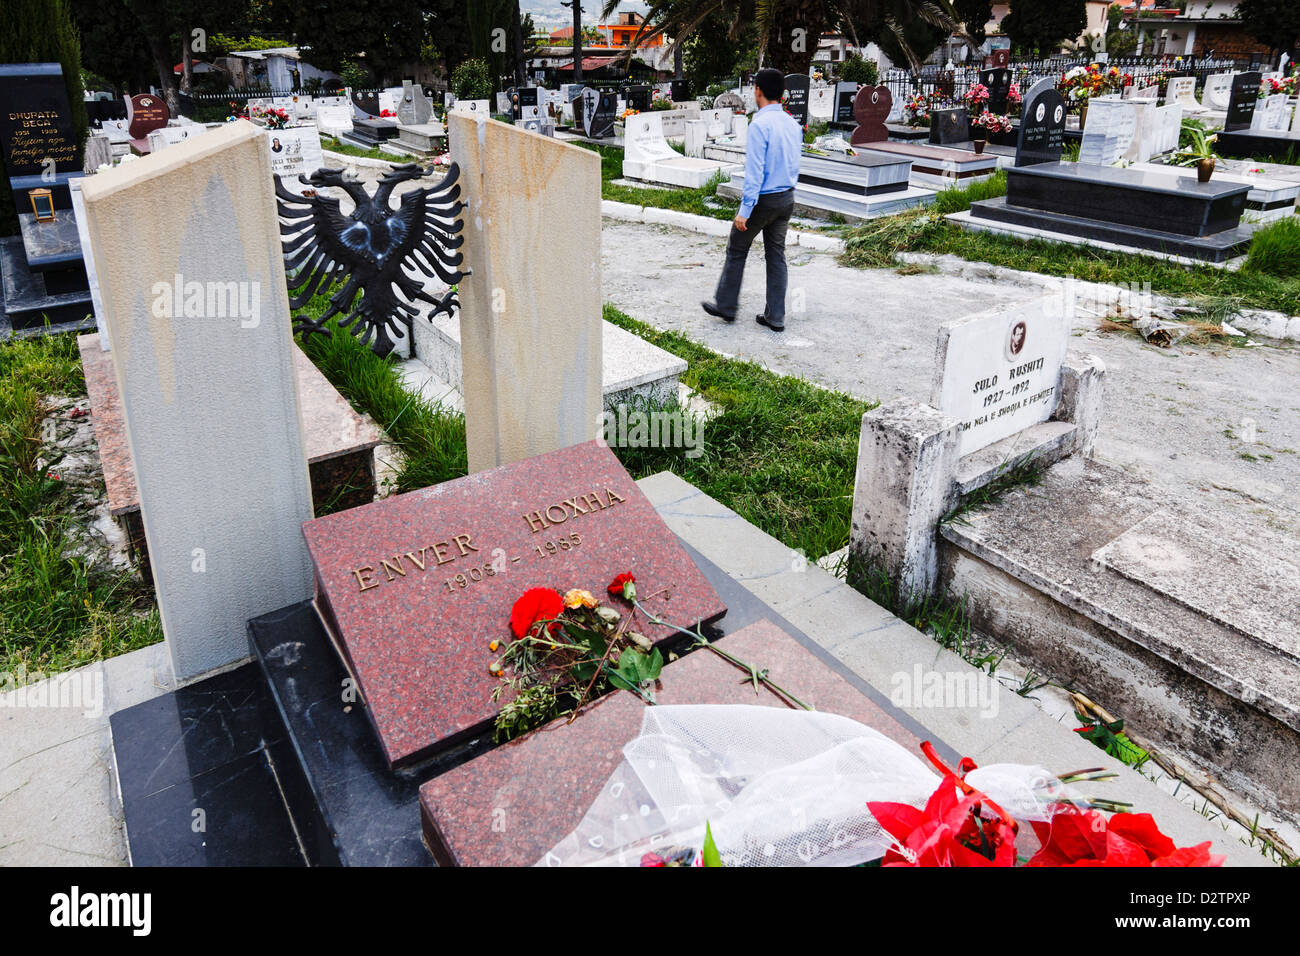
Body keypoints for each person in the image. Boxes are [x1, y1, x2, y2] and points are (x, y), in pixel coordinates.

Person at [701, 68, 802, 332]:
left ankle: (726, 306)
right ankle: (775, 316)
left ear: (758, 90)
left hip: (764, 200)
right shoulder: (792, 124)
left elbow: (755, 172)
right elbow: (794, 164)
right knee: (776, 255)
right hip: (786, 198)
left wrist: (744, 211)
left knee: (737, 247)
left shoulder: (759, 125)